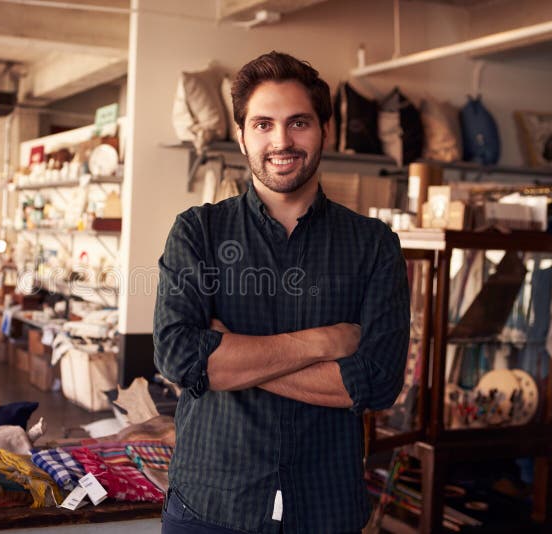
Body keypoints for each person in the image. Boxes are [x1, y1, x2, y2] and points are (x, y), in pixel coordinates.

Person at [153, 51, 410, 534]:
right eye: (263, 124)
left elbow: (377, 381)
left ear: (324, 130)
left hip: (325, 508)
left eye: (298, 123)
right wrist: (321, 344)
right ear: (241, 135)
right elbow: (180, 357)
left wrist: (232, 359)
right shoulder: (198, 233)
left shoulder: (373, 245)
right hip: (210, 506)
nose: (281, 140)